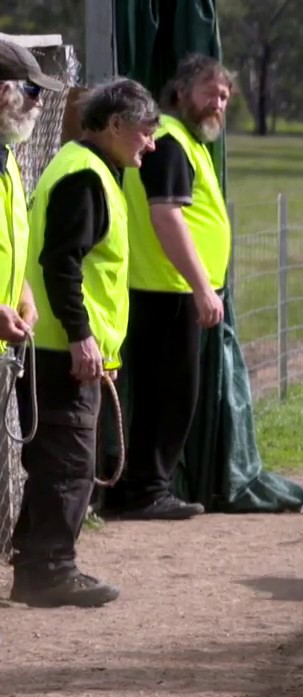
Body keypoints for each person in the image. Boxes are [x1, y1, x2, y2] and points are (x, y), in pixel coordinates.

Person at [9, 77, 158, 608]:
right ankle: (49, 569)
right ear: (115, 125)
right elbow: (61, 263)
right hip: (61, 348)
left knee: (58, 458)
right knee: (70, 462)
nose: (152, 142)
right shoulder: (86, 177)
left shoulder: (83, 167)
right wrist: (81, 338)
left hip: (58, 345)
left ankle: (36, 558)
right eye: (146, 130)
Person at [103, 54, 235, 521]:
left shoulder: (188, 142)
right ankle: (147, 490)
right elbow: (167, 214)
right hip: (169, 289)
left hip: (168, 288)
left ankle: (135, 486)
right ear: (180, 92)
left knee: (165, 394)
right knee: (173, 395)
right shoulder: (174, 141)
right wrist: (202, 288)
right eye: (209, 92)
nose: (218, 102)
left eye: (224, 95)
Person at [0, 39, 63, 563]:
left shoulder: (10, 160)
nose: (40, 104)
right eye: (30, 90)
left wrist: (21, 294)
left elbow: (10, 243)